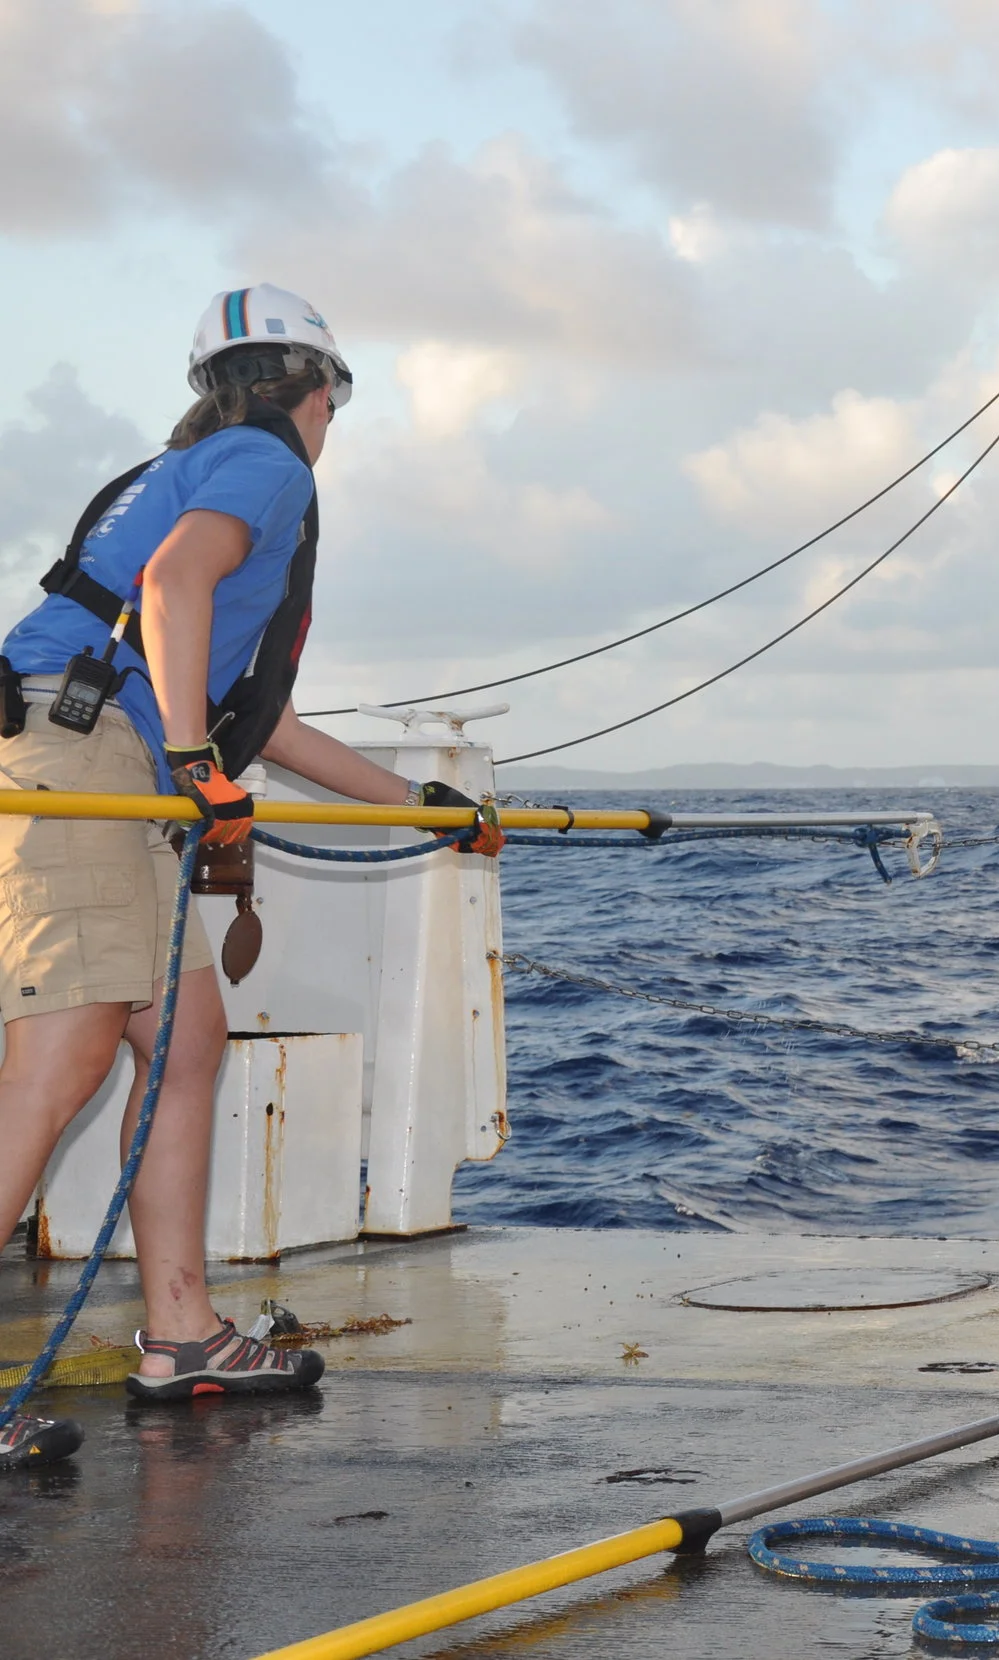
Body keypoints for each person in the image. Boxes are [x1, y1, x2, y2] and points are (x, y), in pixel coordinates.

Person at [0, 285, 501, 1469]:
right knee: (61, 1059)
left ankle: (182, 1337)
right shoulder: (267, 464)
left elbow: (260, 724)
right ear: (318, 388)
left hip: (94, 749)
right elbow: (173, 590)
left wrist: (431, 808)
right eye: (336, 400)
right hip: (88, 759)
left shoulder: (199, 461)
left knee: (182, 1041)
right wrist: (184, 756)